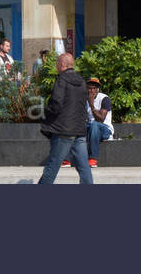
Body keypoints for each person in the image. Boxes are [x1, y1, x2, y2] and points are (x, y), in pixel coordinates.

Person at [37, 53, 93, 185]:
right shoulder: (81, 81)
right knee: (83, 166)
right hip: (79, 130)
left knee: (53, 165)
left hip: (63, 131)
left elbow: (56, 104)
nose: (56, 67)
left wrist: (44, 112)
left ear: (62, 65)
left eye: (57, 64)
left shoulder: (62, 80)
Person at [86, 76, 114, 168]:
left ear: (97, 89)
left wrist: (92, 106)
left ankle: (92, 159)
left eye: (94, 88)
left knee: (95, 124)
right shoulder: (84, 100)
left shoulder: (104, 98)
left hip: (105, 129)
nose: (92, 90)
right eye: (90, 88)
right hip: (91, 128)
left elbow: (101, 119)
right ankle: (66, 160)